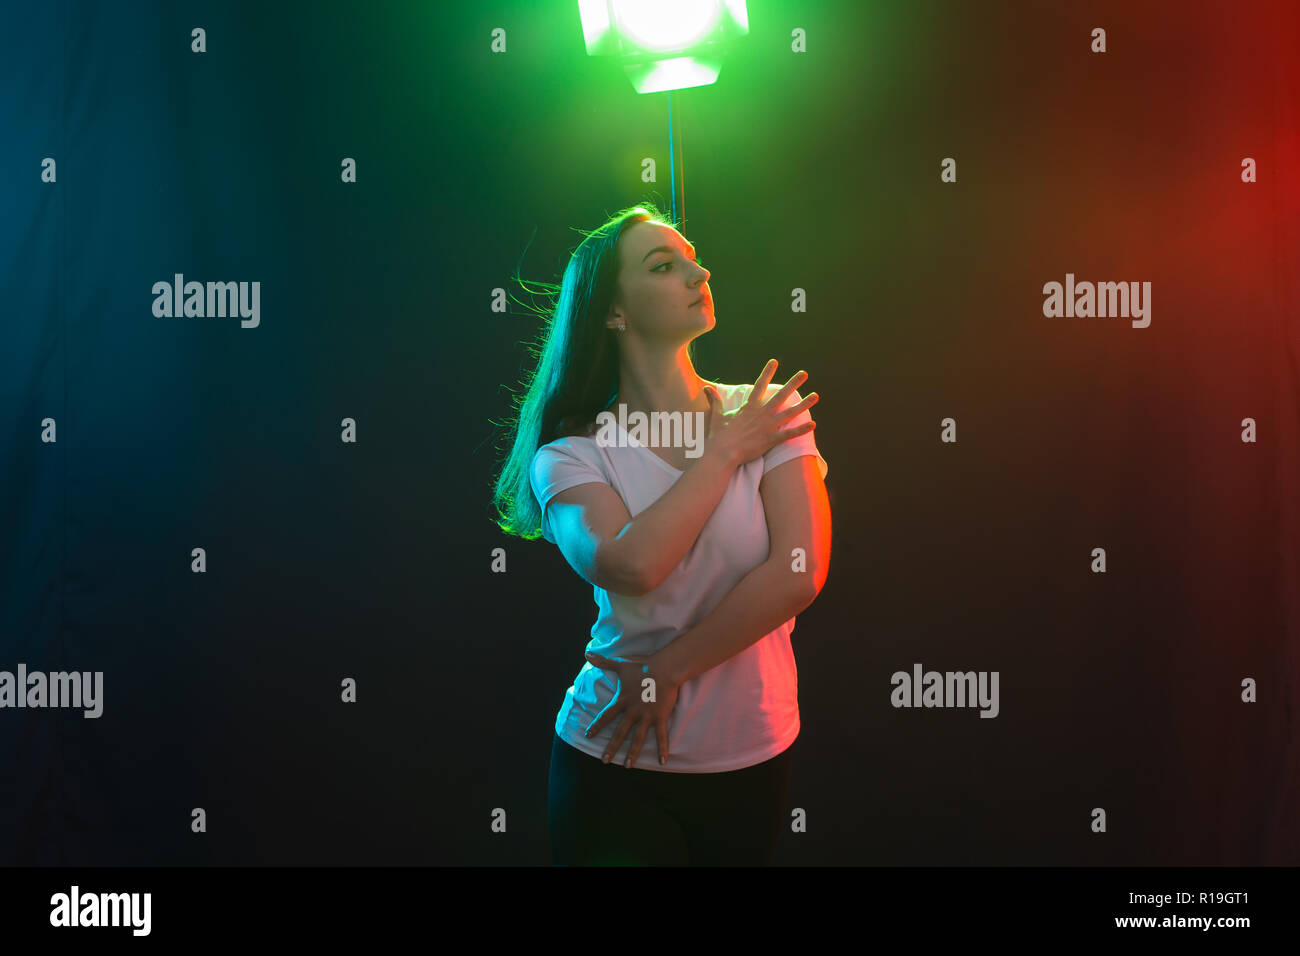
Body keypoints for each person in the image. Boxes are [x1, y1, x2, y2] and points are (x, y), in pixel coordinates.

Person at [492, 203, 831, 865]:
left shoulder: (769, 409)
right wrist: (723, 452)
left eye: (692, 257)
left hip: (751, 755)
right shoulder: (571, 456)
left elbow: (799, 571)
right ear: (613, 313)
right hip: (612, 755)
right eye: (663, 265)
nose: (697, 271)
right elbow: (633, 564)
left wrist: (669, 669)